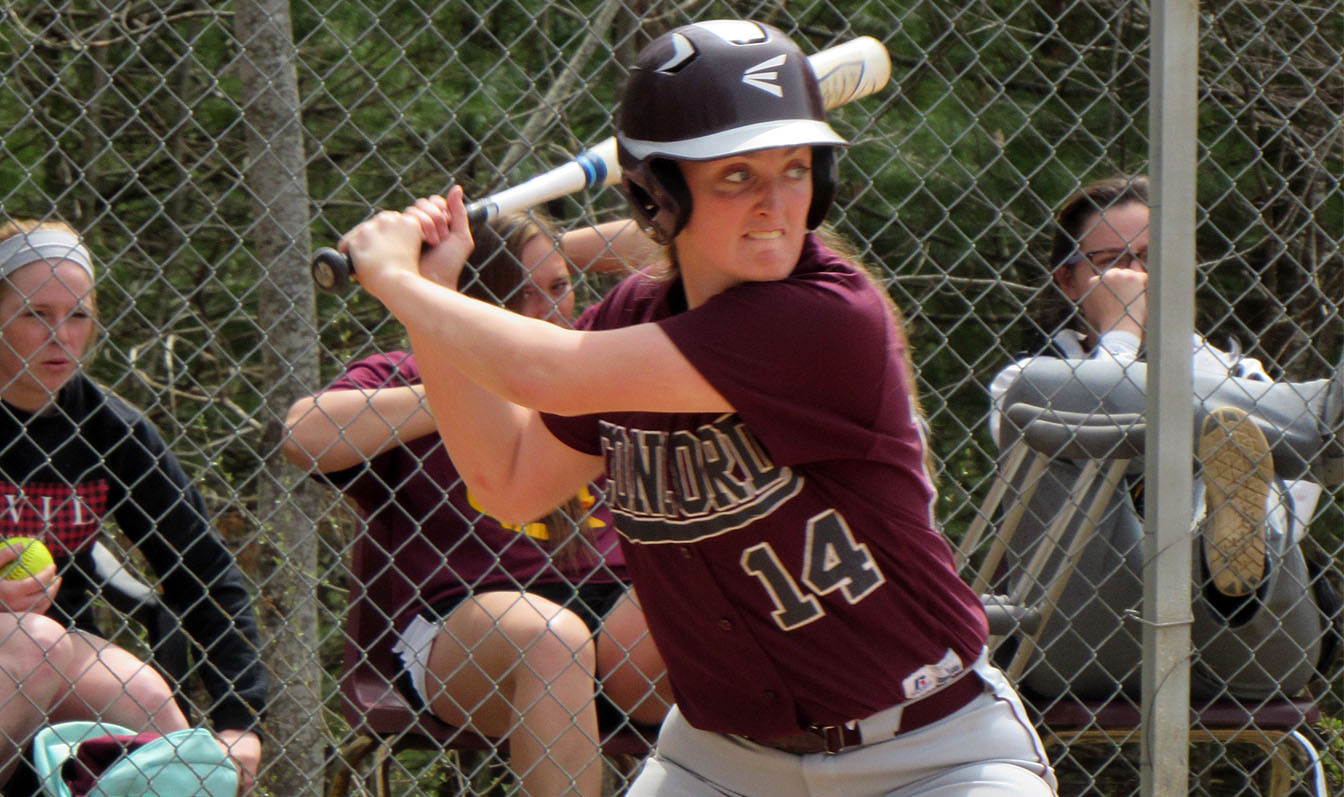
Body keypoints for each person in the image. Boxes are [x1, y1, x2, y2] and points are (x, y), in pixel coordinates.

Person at [332, 19, 1057, 795]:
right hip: (721, 760)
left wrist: (396, 282)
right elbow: (508, 479)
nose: (774, 203)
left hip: (931, 751)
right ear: (658, 194)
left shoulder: (827, 315)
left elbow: (549, 373)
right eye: (736, 175)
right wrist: (432, 294)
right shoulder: (633, 312)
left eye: (795, 169)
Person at [283, 209, 670, 797]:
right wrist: (471, 383)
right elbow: (304, 435)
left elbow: (682, 246)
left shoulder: (586, 351)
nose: (548, 310)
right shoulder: (408, 372)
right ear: (469, 297)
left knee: (709, 603)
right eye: (521, 292)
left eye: (559, 286)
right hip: (473, 630)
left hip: (617, 617)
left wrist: (541, 240)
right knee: (551, 638)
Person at [0, 218, 268, 796]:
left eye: (78, 315)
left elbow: (205, 572)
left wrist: (240, 721)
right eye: (36, 313)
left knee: (152, 703)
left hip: (47, 654)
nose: (61, 335)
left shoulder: (111, 431)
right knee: (34, 642)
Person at [988, 175, 1342, 702]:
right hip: (1084, 637)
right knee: (1049, 392)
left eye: (1153, 258)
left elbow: (1288, 524)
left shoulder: (1242, 375)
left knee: (1241, 450)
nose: (1136, 276)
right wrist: (1120, 336)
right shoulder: (1019, 384)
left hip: (1242, 642)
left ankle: (1221, 557)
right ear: (1068, 280)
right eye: (1112, 260)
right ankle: (1323, 423)